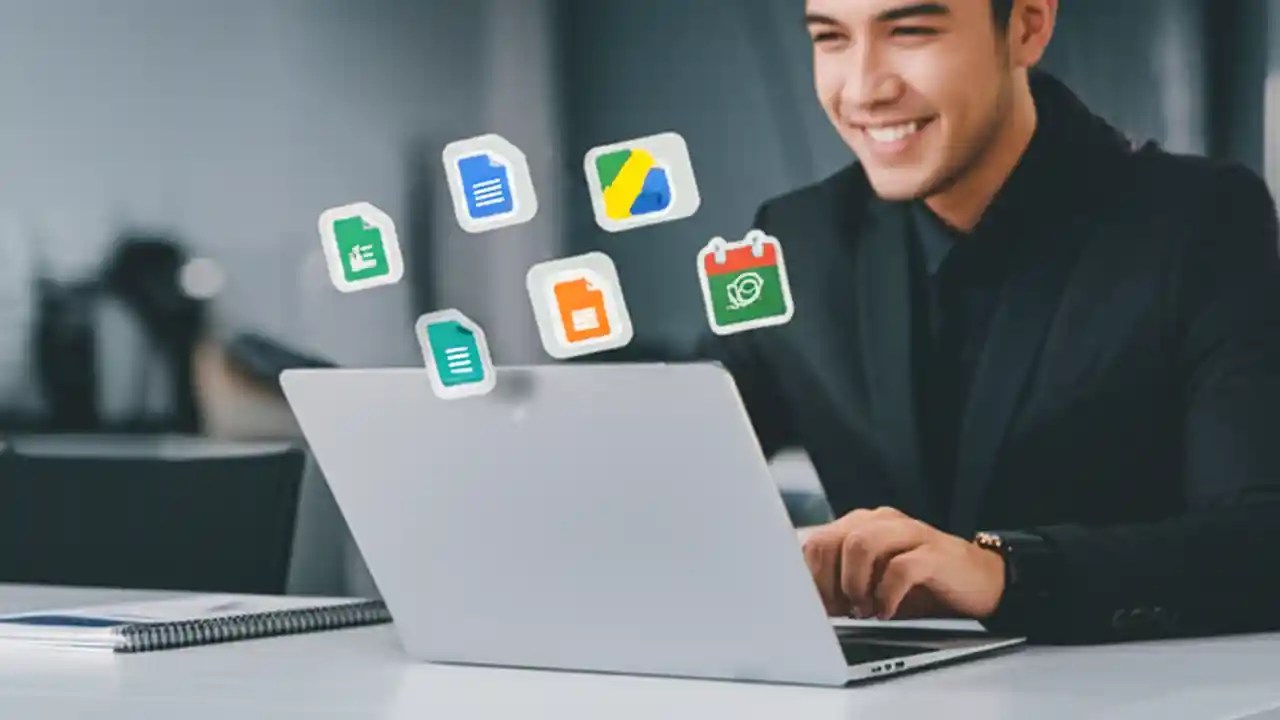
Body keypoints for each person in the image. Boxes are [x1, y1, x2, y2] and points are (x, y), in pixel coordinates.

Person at [700, 0, 1280, 642]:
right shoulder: (786, 240)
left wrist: (1004, 571)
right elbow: (681, 450)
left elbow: (1261, 542)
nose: (864, 88)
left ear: (1028, 25)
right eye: (832, 38)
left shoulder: (1203, 221)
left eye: (911, 31)